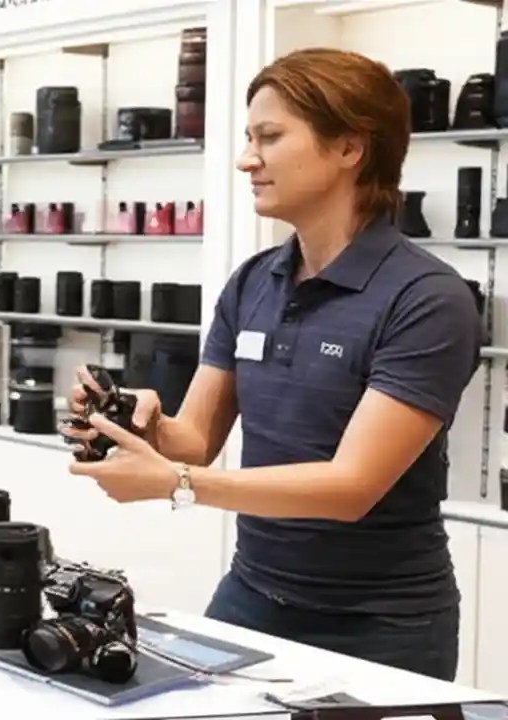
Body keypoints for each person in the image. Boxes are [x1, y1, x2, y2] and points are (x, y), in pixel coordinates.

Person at [64, 47, 481, 681]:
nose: (246, 159)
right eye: (248, 138)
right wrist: (143, 425)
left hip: (383, 624)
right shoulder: (254, 282)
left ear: (349, 147)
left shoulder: (428, 299)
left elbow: (351, 488)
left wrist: (176, 483)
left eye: (270, 137)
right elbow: (196, 440)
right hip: (252, 595)